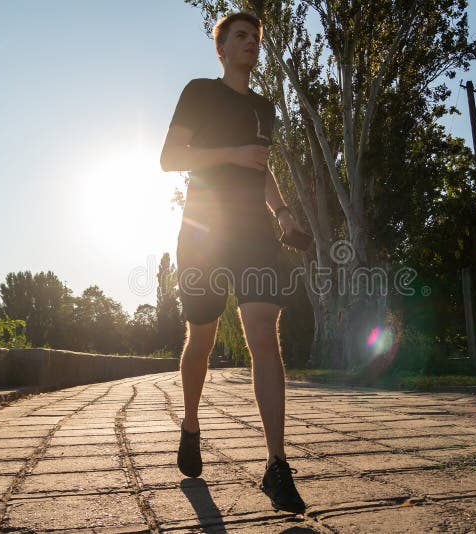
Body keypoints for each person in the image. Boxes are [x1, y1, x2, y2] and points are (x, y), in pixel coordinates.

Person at [159, 11, 307, 515]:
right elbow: (169, 158)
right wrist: (232, 154)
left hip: (253, 233)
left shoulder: (266, 109)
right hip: (203, 231)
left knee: (263, 332)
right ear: (221, 49)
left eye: (255, 38)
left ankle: (276, 464)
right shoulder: (199, 92)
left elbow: (262, 169)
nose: (250, 44)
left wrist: (284, 213)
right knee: (201, 337)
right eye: (240, 36)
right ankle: (191, 424)